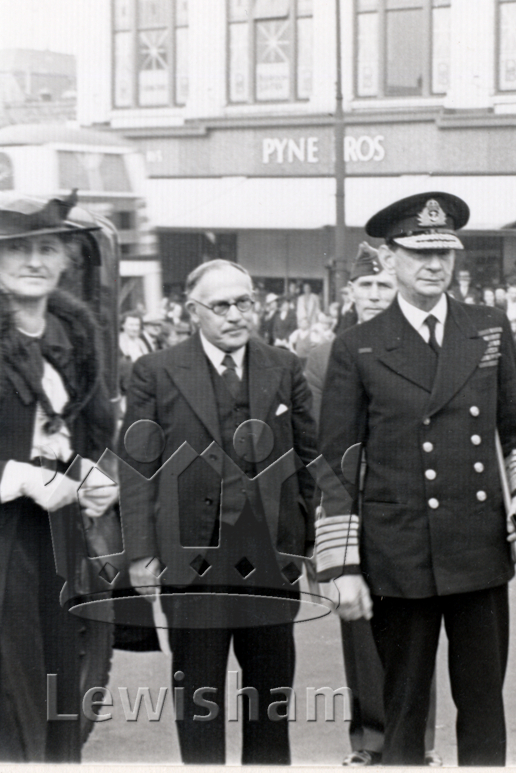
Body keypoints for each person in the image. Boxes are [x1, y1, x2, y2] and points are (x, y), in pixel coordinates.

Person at [313, 191, 516, 767]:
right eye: (420, 253)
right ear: (390, 259)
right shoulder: (358, 347)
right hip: (399, 556)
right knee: (404, 712)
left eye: (444, 252)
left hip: (479, 549)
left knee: (484, 708)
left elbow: (515, 429)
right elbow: (338, 464)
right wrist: (342, 567)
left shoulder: (488, 328)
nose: (435, 265)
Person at [120, 259, 317, 765]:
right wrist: (140, 553)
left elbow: (310, 457)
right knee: (198, 695)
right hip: (192, 562)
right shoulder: (156, 371)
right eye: (221, 305)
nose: (235, 315)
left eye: (244, 302)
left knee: (270, 695)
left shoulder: (284, 366)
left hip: (270, 557)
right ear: (193, 312)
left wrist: (312, 541)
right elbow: (137, 468)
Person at [302, 243, 441, 767]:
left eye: (385, 284)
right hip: (351, 511)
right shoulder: (326, 356)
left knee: (417, 629)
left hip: (409, 509)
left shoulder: (424, 346)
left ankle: (417, 743)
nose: (377, 294)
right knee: (360, 629)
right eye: (367, 285)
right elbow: (321, 447)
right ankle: (371, 740)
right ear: (350, 292)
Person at [0, 191, 119, 762]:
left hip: (59, 539)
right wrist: (20, 477)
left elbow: (80, 432)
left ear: (66, 260)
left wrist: (90, 471)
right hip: (5, 538)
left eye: (47, 248)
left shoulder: (73, 338)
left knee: (59, 691)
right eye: (16, 249)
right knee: (12, 695)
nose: (33, 261)